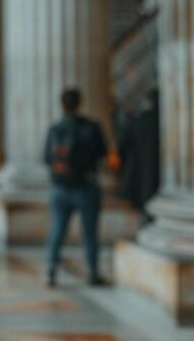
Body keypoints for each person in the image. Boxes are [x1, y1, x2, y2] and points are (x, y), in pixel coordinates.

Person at [44, 88, 108, 287]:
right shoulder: (91, 127)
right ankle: (92, 271)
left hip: (59, 187)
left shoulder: (55, 129)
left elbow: (46, 158)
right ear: (80, 104)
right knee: (90, 233)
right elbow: (102, 152)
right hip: (86, 185)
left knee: (57, 230)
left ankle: (51, 270)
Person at [117, 88, 160, 224]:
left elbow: (121, 146)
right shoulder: (166, 122)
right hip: (164, 173)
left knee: (145, 211)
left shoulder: (138, 120)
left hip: (139, 172)